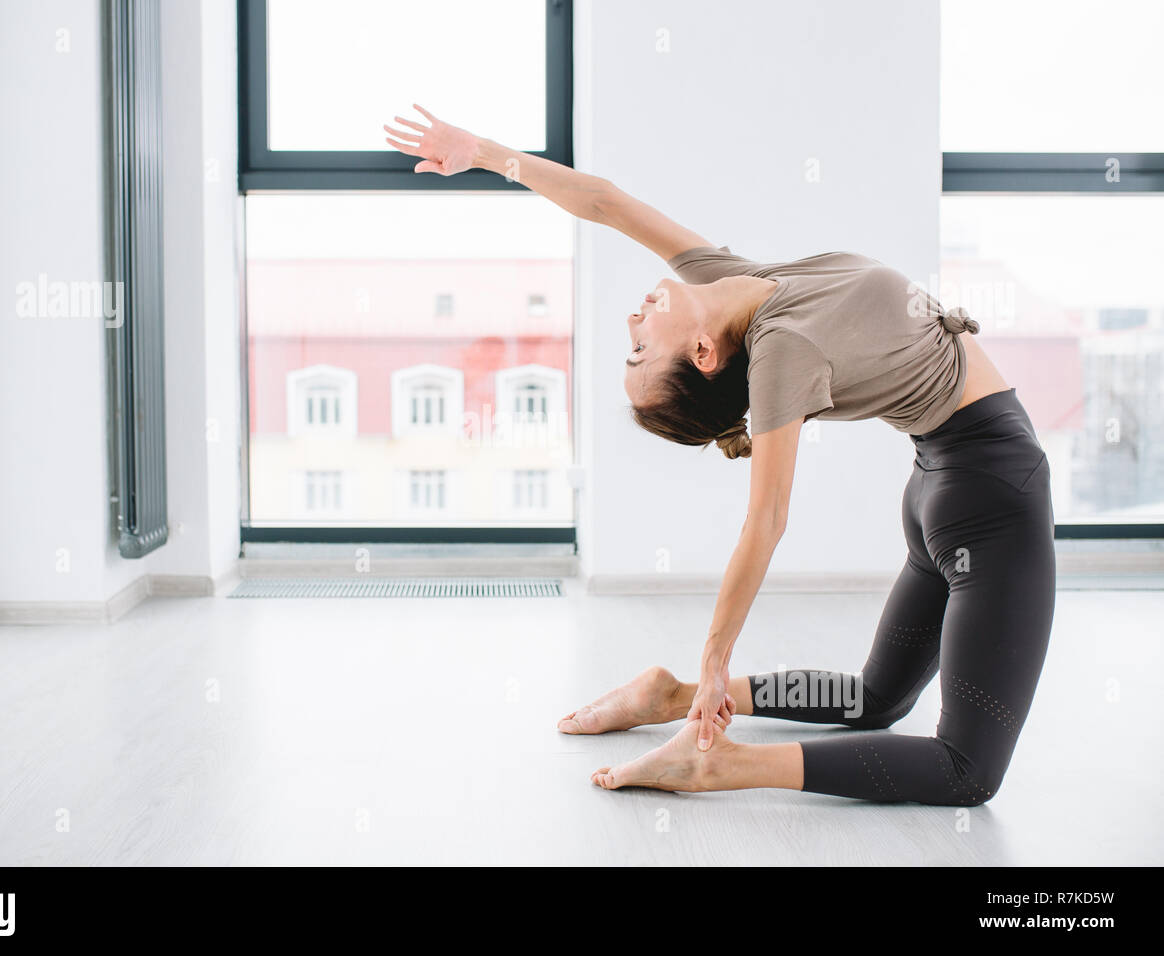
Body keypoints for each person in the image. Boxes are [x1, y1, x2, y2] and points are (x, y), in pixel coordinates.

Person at [385, 106, 1055, 805]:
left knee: (877, 697)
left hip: (944, 487)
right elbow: (765, 519)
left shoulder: (740, 285)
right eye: (641, 348)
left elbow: (606, 203)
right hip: (990, 494)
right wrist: (714, 657)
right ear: (703, 355)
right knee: (966, 770)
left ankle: (667, 697)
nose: (632, 321)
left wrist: (488, 154)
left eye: (633, 342)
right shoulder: (781, 351)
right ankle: (721, 765)